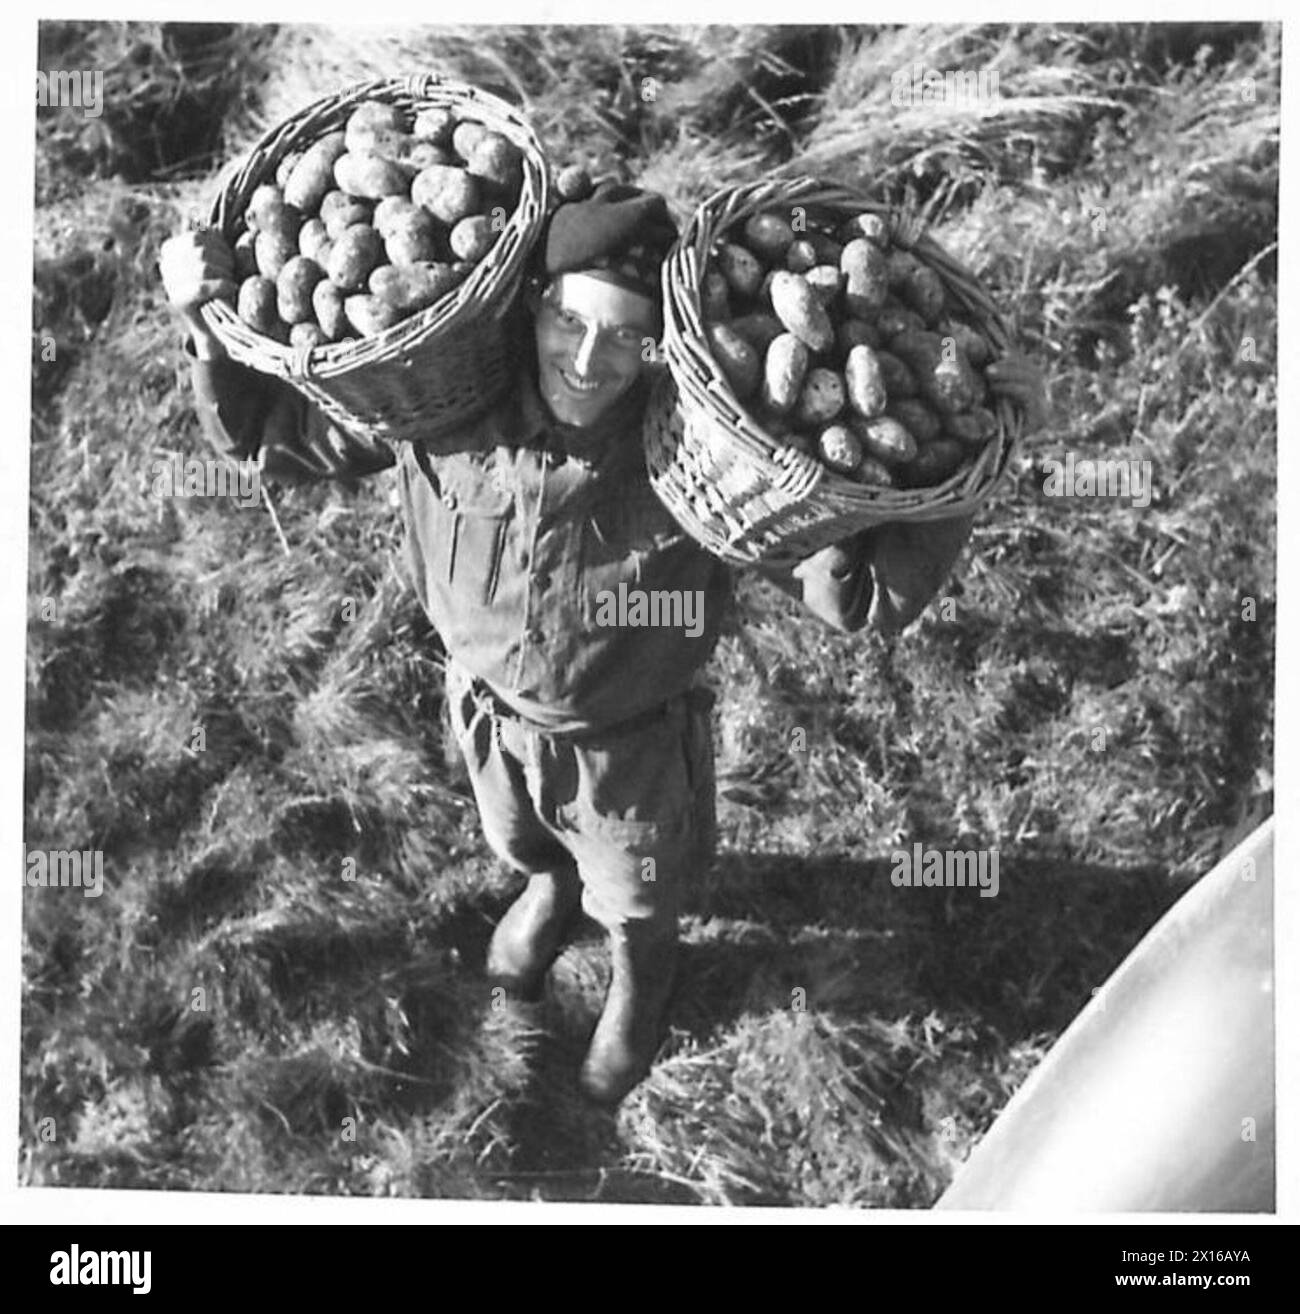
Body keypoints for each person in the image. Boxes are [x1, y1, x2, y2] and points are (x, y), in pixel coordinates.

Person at [159, 181, 1047, 1104]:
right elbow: (270, 436)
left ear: (660, 350)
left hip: (629, 749)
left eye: (627, 336)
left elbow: (859, 598)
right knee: (518, 840)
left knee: (639, 896)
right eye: (572, 323)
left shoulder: (699, 462)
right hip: (490, 717)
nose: (590, 360)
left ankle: (641, 979)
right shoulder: (443, 405)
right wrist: (206, 325)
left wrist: (971, 470)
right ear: (534, 307)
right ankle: (547, 891)